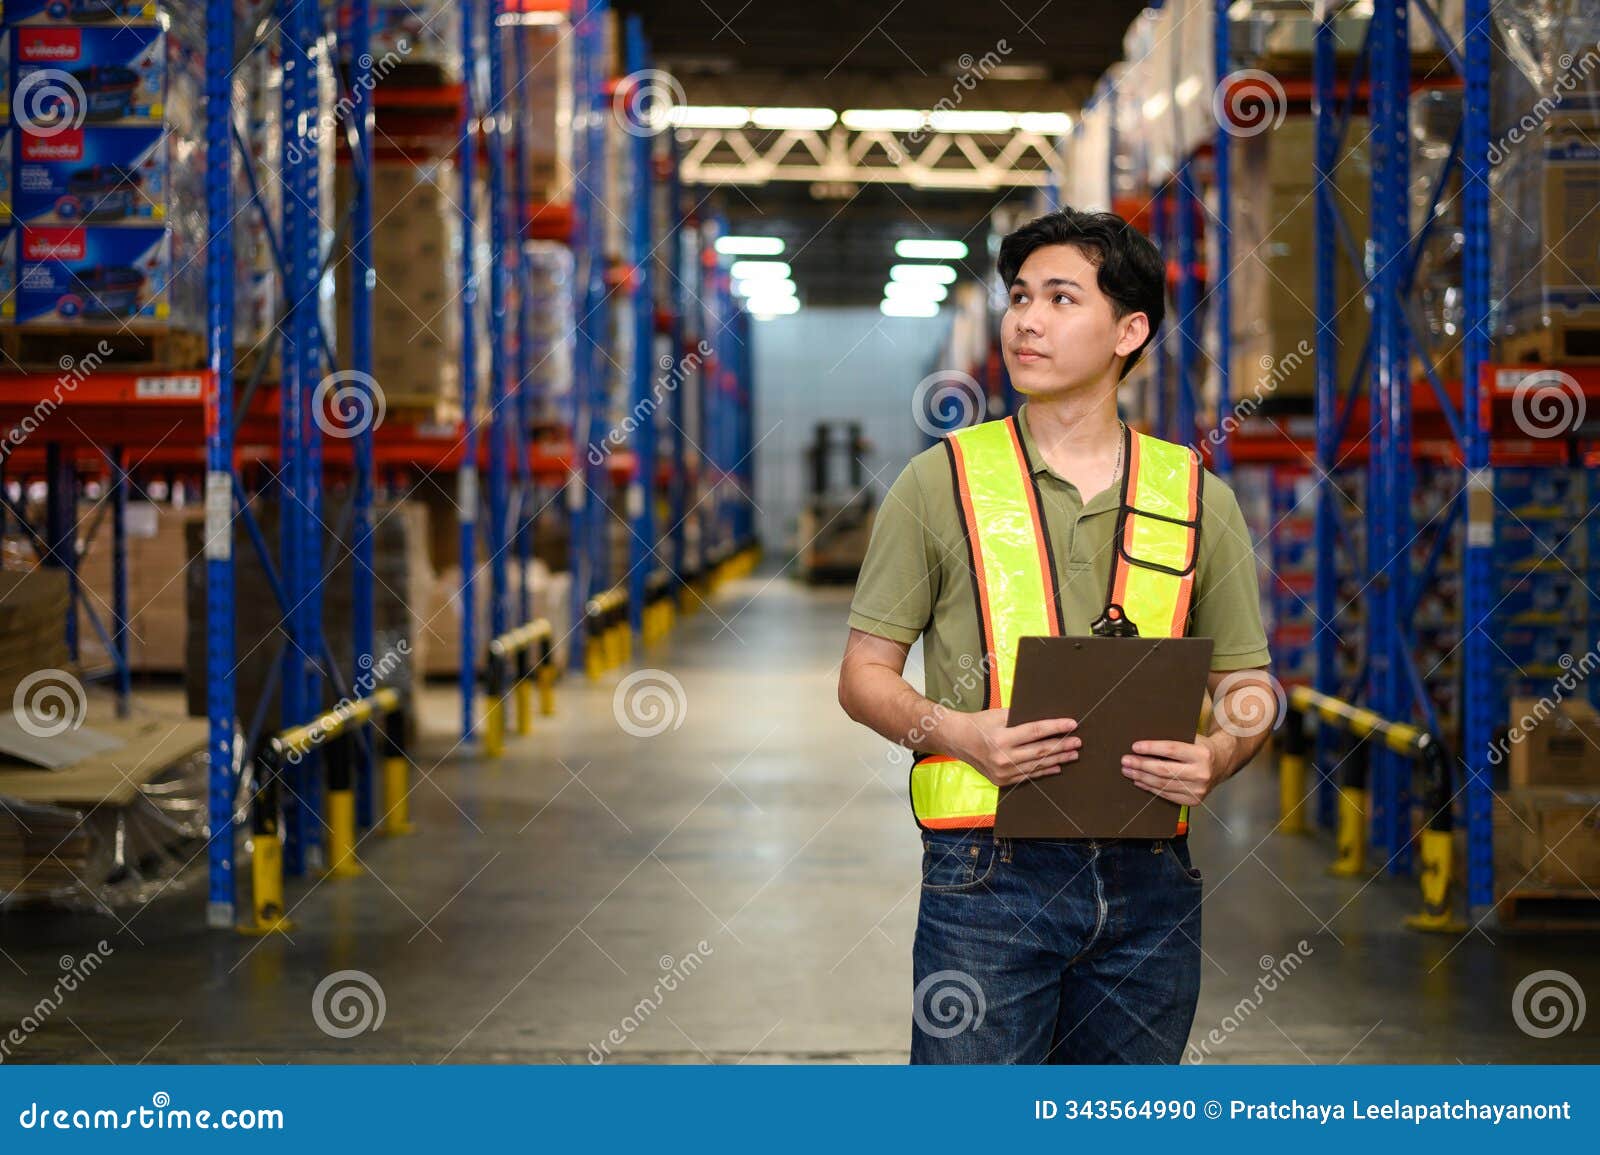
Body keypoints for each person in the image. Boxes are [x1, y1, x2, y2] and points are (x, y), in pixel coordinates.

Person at [837, 207, 1275, 1064]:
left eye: (1062, 298)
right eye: (1020, 296)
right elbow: (863, 677)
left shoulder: (1195, 495)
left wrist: (1221, 754)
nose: (1027, 320)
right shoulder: (940, 484)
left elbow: (1250, 688)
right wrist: (960, 733)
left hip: (1152, 880)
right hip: (984, 874)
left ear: (1129, 329)